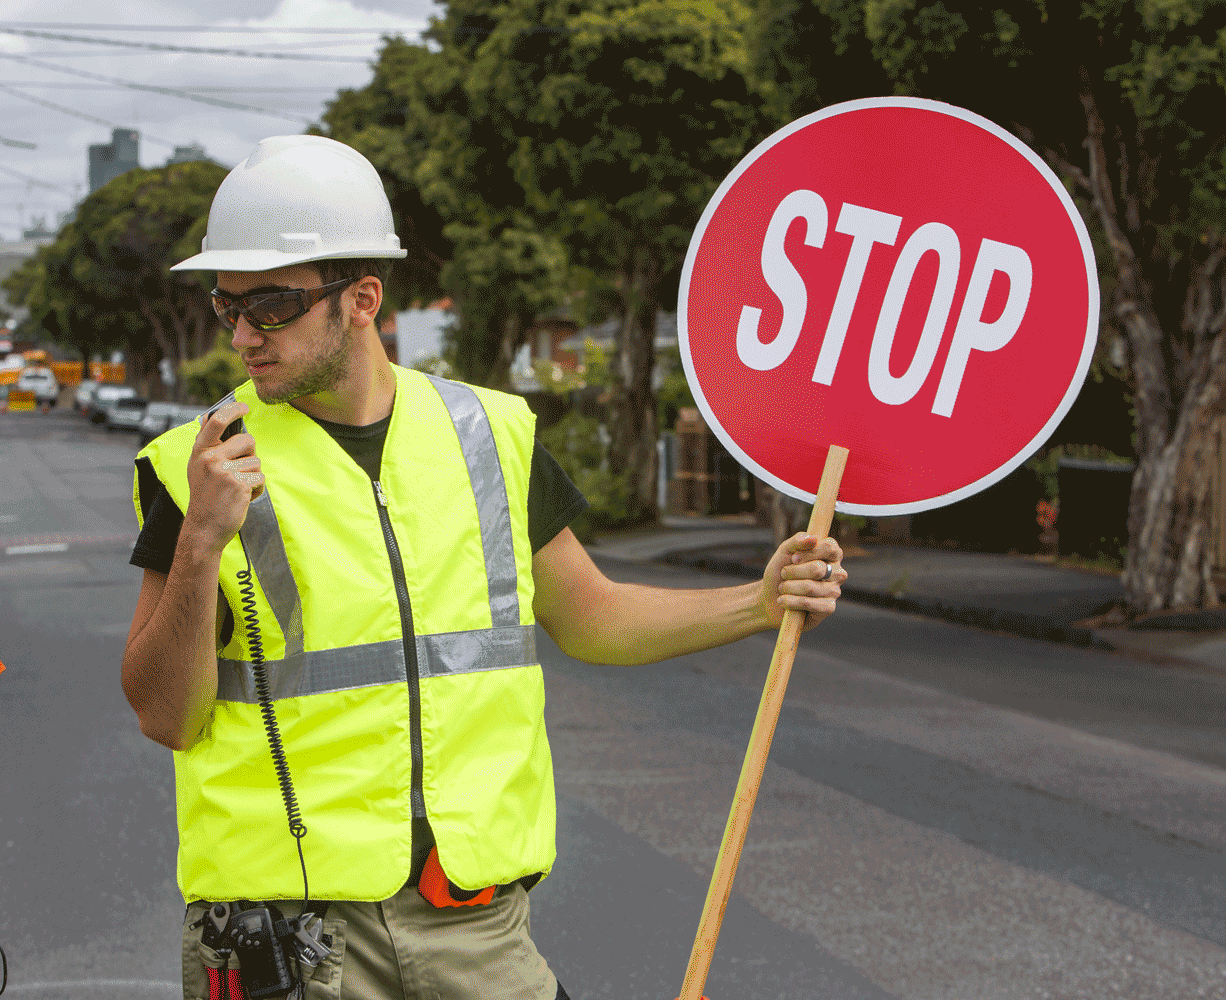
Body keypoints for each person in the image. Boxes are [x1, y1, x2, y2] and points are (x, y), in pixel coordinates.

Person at [121, 134, 848, 1000]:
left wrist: (758, 603)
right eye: (226, 305)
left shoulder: (489, 434)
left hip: (476, 926)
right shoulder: (195, 466)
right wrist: (201, 542)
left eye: (271, 305)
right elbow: (167, 715)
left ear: (362, 299)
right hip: (288, 941)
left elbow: (592, 616)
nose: (243, 333)